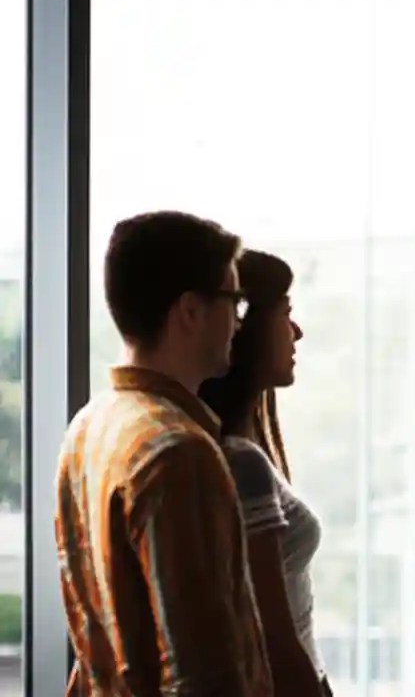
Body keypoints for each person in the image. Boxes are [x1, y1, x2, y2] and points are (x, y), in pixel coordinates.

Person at [54, 211, 273, 695]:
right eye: (233, 300)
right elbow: (200, 670)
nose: (238, 322)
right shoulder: (177, 452)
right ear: (190, 311)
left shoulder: (92, 424)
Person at [199, 250, 329, 696]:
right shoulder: (237, 460)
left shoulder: (242, 448)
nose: (296, 332)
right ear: (247, 329)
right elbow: (272, 633)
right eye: (285, 314)